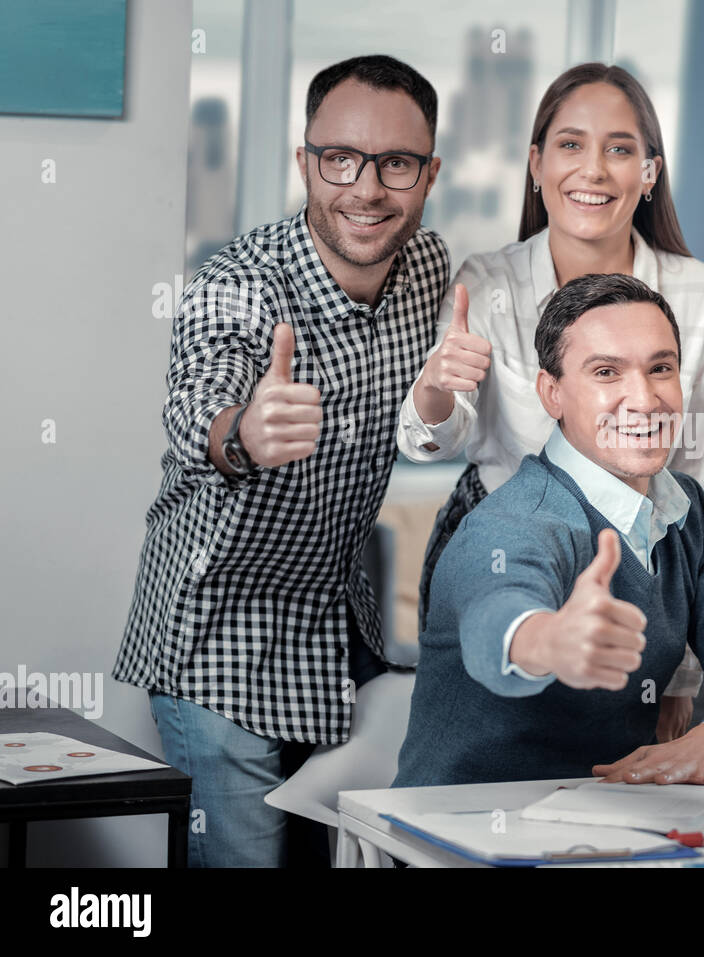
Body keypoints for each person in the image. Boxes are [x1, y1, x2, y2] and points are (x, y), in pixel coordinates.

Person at [114, 55, 450, 866]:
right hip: (219, 634)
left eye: (396, 163)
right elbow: (198, 402)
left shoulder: (429, 270)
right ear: (304, 162)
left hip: (336, 625)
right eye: (340, 159)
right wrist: (245, 433)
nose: (367, 189)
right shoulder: (238, 281)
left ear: (430, 175)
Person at [395, 64, 704, 742]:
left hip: (641, 562)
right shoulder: (487, 281)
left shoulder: (699, 294)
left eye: (620, 148)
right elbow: (433, 441)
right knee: (496, 751)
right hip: (507, 550)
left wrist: (683, 672)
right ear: (536, 164)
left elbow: (703, 481)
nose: (594, 169)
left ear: (650, 172)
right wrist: (434, 387)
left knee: (617, 770)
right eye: (571, 144)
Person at [394, 274, 704, 787]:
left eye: (661, 369)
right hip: (467, 820)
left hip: (617, 812)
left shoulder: (687, 510)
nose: (645, 400)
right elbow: (493, 623)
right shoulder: (513, 521)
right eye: (607, 372)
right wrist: (550, 641)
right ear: (552, 394)